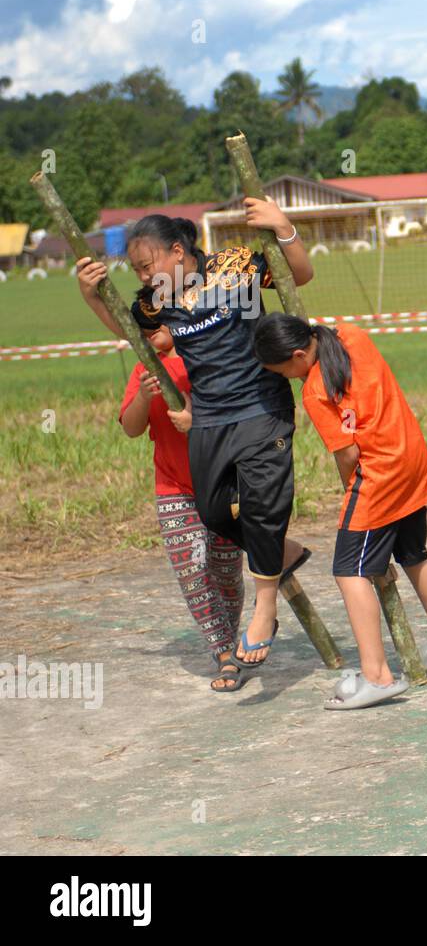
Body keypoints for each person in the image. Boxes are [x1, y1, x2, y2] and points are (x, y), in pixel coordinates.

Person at [76, 204, 314, 675]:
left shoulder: (234, 266)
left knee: (263, 508)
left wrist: (283, 228)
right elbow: (132, 333)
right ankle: (280, 550)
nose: (143, 277)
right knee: (212, 512)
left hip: (262, 408)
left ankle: (264, 611)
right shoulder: (156, 301)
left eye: (148, 266)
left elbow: (301, 275)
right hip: (209, 418)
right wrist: (91, 296)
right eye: (137, 271)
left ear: (178, 250)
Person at [254, 315, 427, 709]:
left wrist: (349, 490)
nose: (286, 378)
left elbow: (347, 454)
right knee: (413, 554)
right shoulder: (352, 336)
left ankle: (377, 676)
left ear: (299, 355)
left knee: (349, 570)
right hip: (413, 460)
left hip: (379, 477)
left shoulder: (315, 391)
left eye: (283, 371)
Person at [119, 325, 247, 692]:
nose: (151, 331)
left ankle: (232, 634)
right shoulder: (145, 367)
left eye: (158, 322)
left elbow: (237, 417)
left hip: (223, 482)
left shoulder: (210, 355)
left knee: (227, 577)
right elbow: (130, 428)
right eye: (143, 327)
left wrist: (197, 421)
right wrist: (143, 397)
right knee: (192, 568)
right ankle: (224, 653)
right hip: (173, 485)